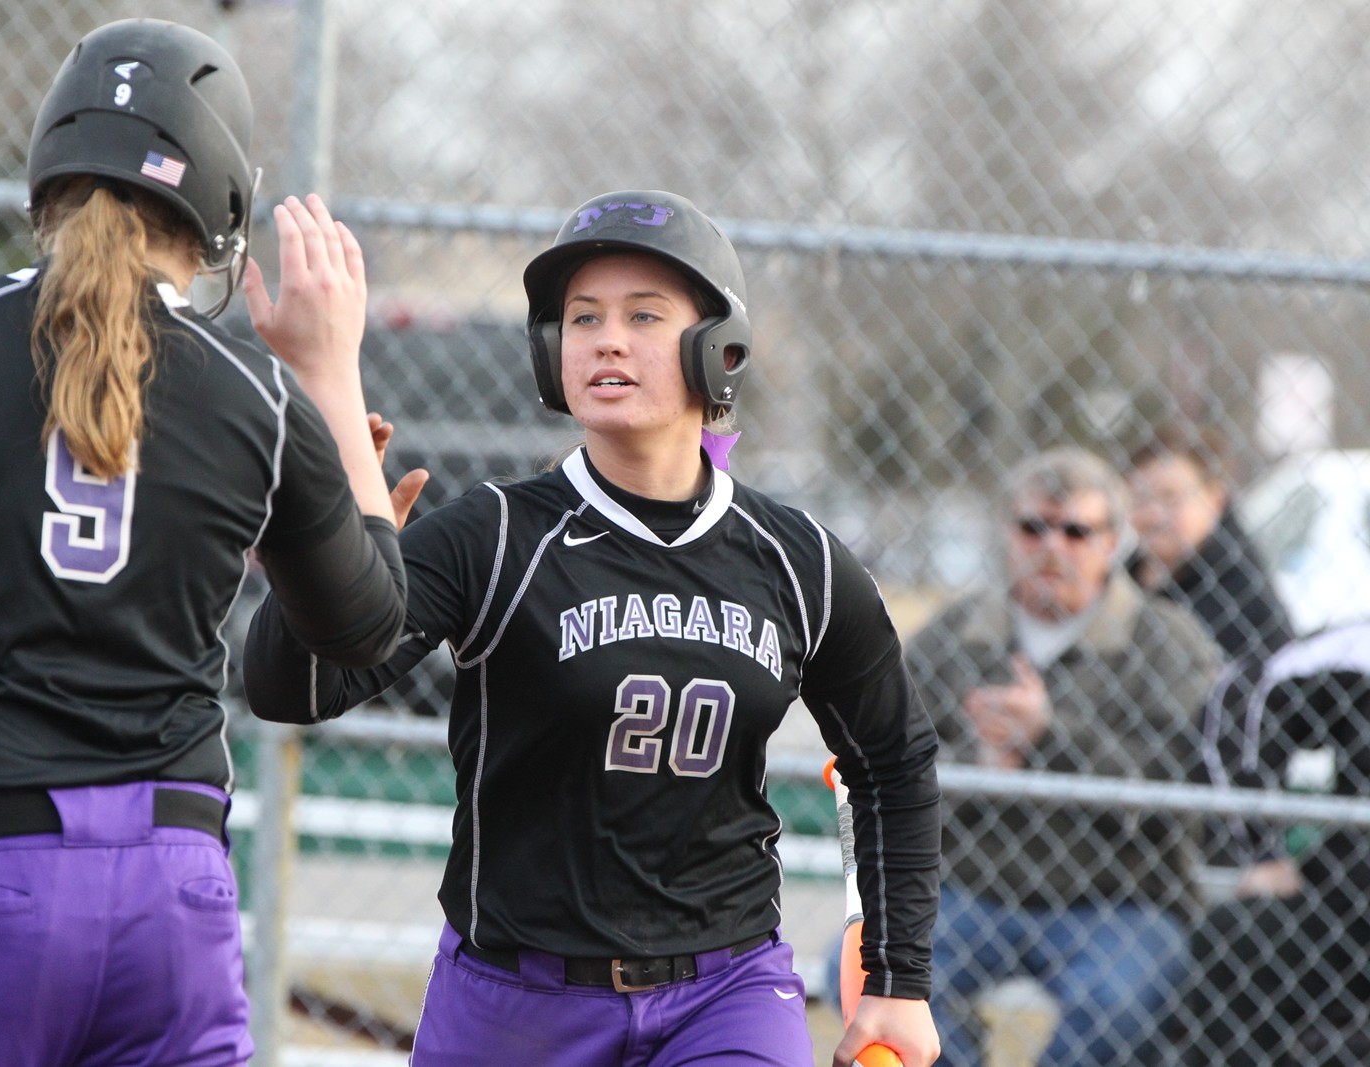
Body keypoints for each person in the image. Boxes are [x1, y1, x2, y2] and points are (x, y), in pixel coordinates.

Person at [0, 19, 406, 1066]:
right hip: (172, 903)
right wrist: (327, 369)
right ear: (219, 200)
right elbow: (366, 625)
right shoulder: (259, 393)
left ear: (49, 165)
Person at [243, 189, 943, 1067]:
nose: (607, 338)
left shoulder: (796, 557)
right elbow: (288, 689)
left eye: (643, 315)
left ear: (716, 349)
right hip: (513, 996)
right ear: (551, 353)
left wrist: (898, 978)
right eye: (583, 318)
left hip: (724, 991)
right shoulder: (494, 534)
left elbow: (892, 760)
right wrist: (328, 555)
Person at [897, 447, 1221, 1067]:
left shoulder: (1166, 641)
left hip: (1119, 900)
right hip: (969, 890)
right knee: (861, 967)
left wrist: (1051, 736)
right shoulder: (952, 636)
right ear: (1006, 533)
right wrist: (980, 763)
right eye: (1032, 527)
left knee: (1115, 998)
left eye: (1076, 530)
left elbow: (1175, 792)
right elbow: (890, 777)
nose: (1053, 547)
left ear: (1112, 540)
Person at [1176, 620, 1370, 1067]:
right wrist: (1263, 852)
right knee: (1240, 943)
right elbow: (1242, 698)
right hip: (1353, 908)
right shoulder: (1355, 649)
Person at [1126, 421, 1297, 877]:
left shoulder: (1244, 598)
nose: (1153, 513)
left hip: (1207, 807)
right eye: (1141, 497)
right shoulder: (1122, 581)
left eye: (1170, 497)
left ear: (1215, 498)